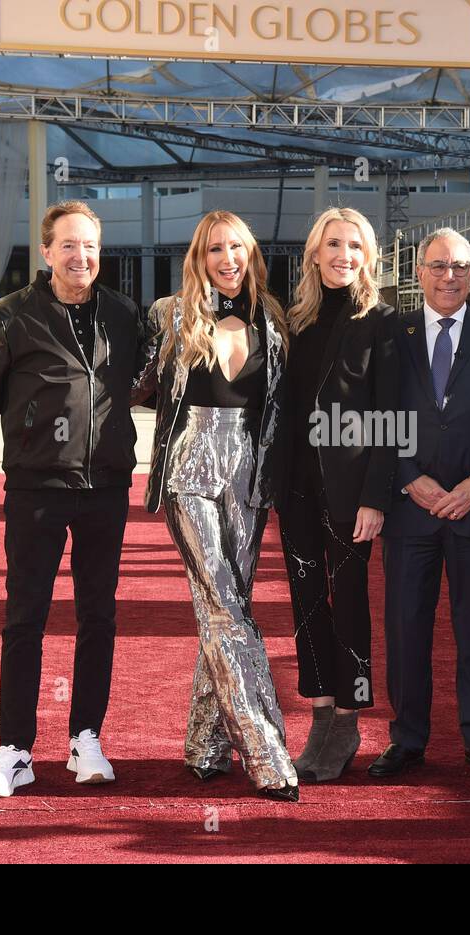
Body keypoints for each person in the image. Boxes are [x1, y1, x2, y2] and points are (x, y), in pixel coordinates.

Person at [0, 200, 144, 798]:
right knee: (24, 619)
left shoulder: (124, 315)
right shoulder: (14, 315)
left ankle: (87, 738)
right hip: (35, 489)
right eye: (69, 245)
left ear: (99, 253)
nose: (80, 256)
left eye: (90, 246)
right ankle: (15, 750)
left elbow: (152, 381)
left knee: (98, 618)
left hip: (105, 490)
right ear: (48, 252)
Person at [138, 210, 299, 801]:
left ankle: (207, 743)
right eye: (214, 250)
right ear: (198, 259)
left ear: (251, 252)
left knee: (224, 605)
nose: (227, 259)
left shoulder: (275, 319)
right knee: (226, 602)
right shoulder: (169, 316)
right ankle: (265, 747)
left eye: (236, 247)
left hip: (249, 474)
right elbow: (127, 383)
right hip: (190, 466)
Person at [367, 228, 470, 782]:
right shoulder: (392, 334)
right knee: (406, 628)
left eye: (460, 266)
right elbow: (377, 415)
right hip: (410, 509)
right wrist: (410, 480)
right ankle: (407, 738)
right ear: (419, 273)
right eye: (438, 265)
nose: (449, 276)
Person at [277, 208, 397, 782]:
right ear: (314, 253)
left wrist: (376, 497)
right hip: (295, 485)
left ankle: (349, 717)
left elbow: (393, 415)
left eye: (354, 245)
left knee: (347, 596)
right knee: (304, 601)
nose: (342, 254)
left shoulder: (381, 322)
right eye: (332, 244)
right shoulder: (293, 321)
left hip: (351, 491)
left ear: (368, 256)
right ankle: (320, 713)